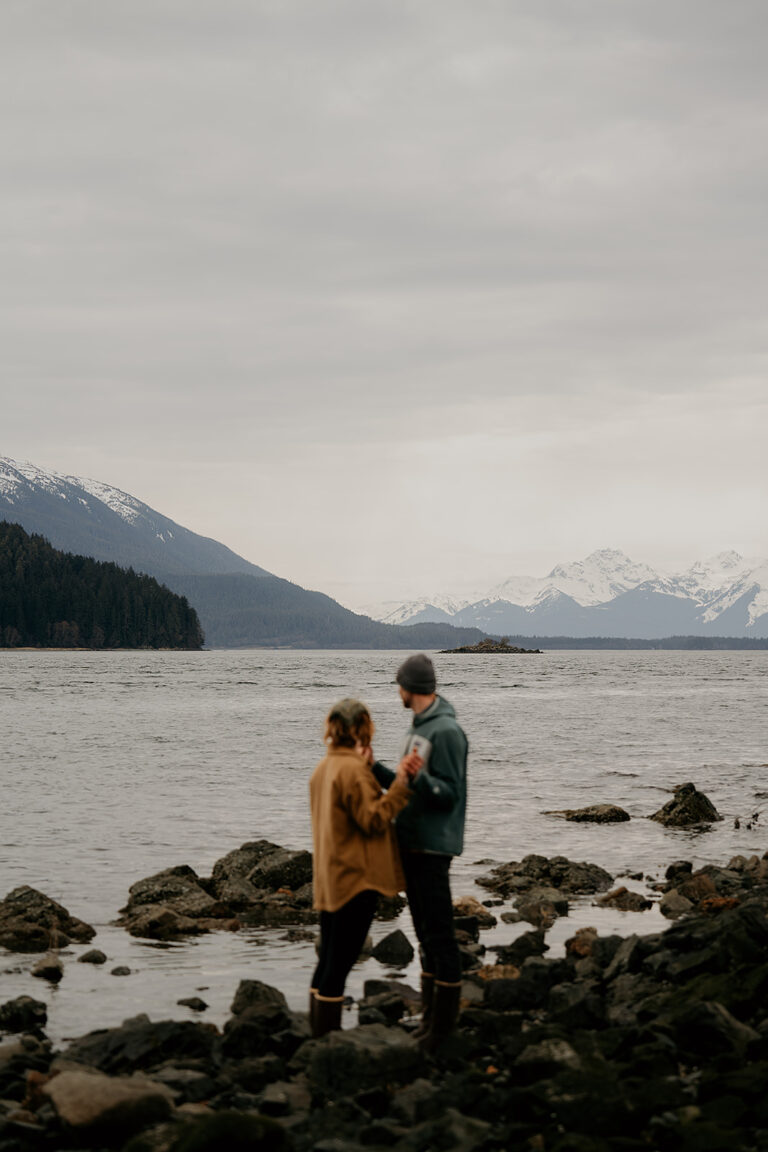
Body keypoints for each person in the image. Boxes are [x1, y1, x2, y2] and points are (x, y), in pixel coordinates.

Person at [365, 653, 468, 1052]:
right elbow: (406, 786)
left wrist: (419, 777)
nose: (398, 692)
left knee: (439, 936)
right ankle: (428, 1022)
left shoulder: (446, 732)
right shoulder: (418, 729)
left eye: (399, 685)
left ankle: (443, 1030)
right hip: (410, 842)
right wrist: (375, 768)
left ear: (410, 687)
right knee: (424, 934)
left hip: (432, 845)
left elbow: (448, 794)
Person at [309, 697, 419, 1037]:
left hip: (330, 878)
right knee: (339, 965)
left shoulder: (324, 767)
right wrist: (401, 786)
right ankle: (327, 1040)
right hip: (356, 880)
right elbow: (373, 819)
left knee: (327, 960)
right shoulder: (354, 771)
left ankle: (316, 1034)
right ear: (362, 728)